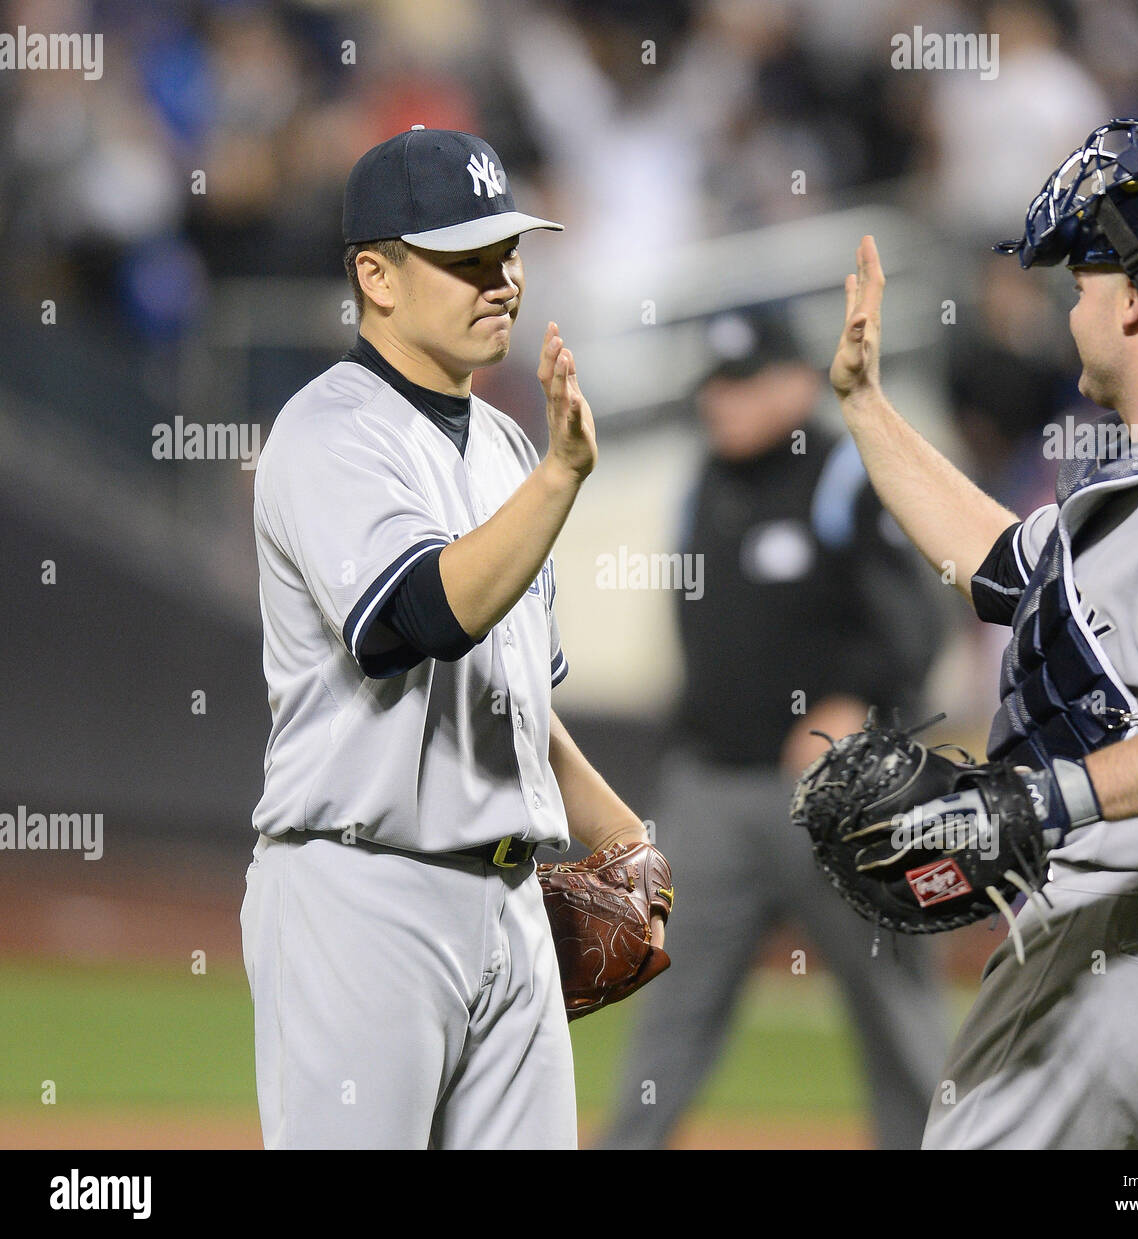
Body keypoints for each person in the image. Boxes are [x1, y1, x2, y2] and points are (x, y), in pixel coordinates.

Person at [828, 117, 1138, 1149]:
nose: (1069, 305)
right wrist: (866, 409)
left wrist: (1046, 796)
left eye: (1082, 282)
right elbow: (1000, 567)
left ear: (1131, 300)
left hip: (1135, 932)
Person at [240, 126, 663, 1150]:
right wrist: (561, 481)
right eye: (465, 259)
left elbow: (519, 697)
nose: (502, 279)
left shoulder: (513, 444)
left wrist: (619, 831)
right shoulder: (330, 429)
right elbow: (414, 620)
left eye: (507, 252)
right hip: (361, 897)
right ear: (374, 275)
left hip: (512, 903)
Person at [600, 306, 950, 1149]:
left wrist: (855, 700)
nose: (721, 401)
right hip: (713, 789)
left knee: (895, 1006)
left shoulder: (846, 476)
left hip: (834, 797)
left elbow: (921, 621)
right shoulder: (705, 484)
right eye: (714, 385)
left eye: (742, 381)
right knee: (671, 1007)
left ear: (797, 383)